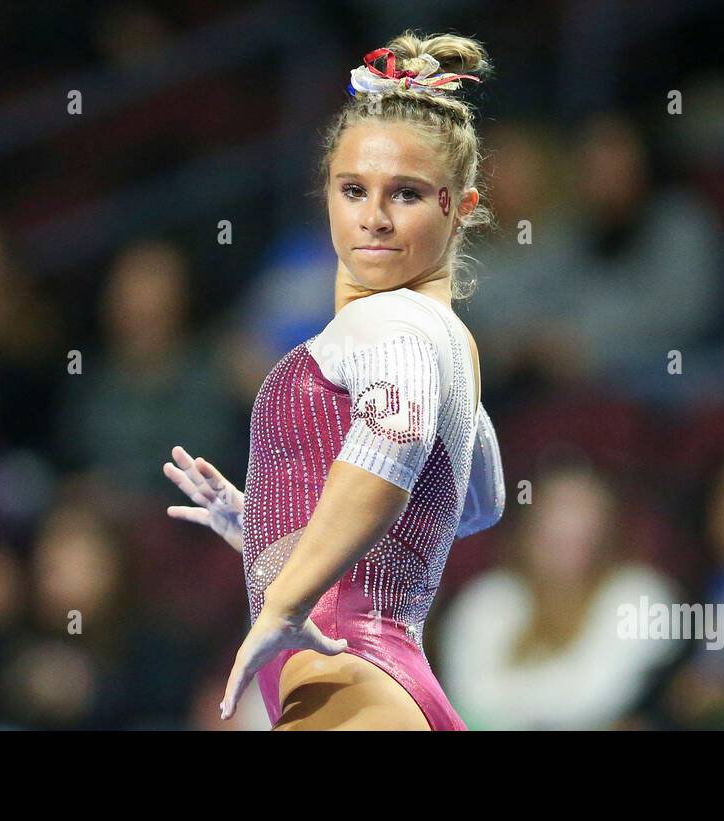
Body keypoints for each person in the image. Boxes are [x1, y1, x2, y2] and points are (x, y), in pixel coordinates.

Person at [164, 31, 505, 730]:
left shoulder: (396, 322)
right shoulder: (442, 346)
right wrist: (278, 528)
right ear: (326, 194)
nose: (373, 217)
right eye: (354, 189)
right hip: (384, 673)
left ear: (459, 206)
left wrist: (287, 596)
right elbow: (473, 503)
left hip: (346, 667)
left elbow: (393, 438)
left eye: (405, 193)